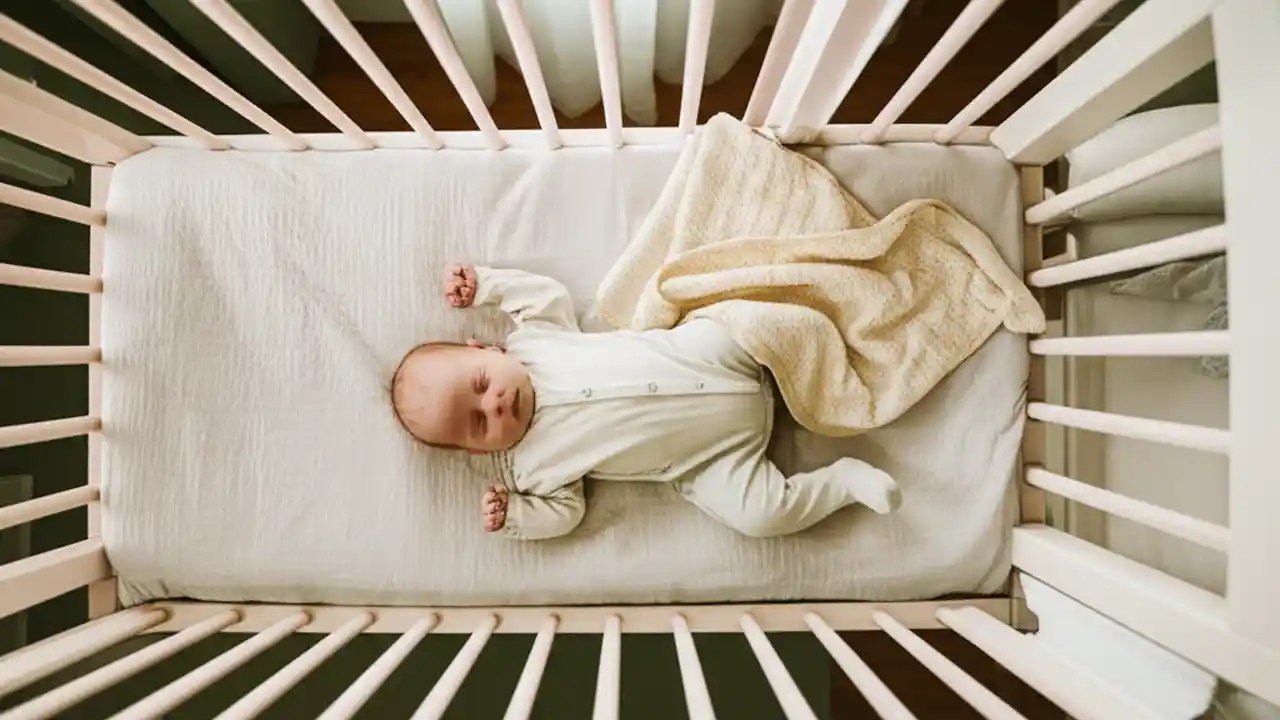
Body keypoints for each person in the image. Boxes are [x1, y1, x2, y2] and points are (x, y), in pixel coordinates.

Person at [391, 264, 900, 540]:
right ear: (479, 453)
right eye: (478, 425)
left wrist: (488, 285)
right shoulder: (531, 469)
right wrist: (518, 517)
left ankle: (831, 341)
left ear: (485, 349)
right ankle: (845, 481)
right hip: (710, 459)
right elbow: (565, 515)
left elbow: (548, 294)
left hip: (713, 357)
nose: (495, 405)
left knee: (743, 318)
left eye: (481, 383)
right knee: (761, 517)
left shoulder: (533, 342)